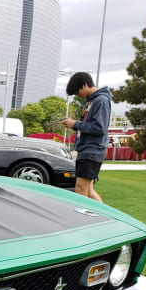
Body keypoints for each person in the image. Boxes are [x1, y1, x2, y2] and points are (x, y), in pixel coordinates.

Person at [62, 72, 111, 202]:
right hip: (87, 149)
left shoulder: (101, 100)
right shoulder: (91, 101)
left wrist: (75, 124)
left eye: (78, 92)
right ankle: (105, 217)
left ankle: (82, 218)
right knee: (88, 191)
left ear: (85, 85)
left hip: (92, 150)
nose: (78, 96)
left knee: (80, 189)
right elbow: (90, 125)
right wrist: (74, 125)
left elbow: (99, 128)